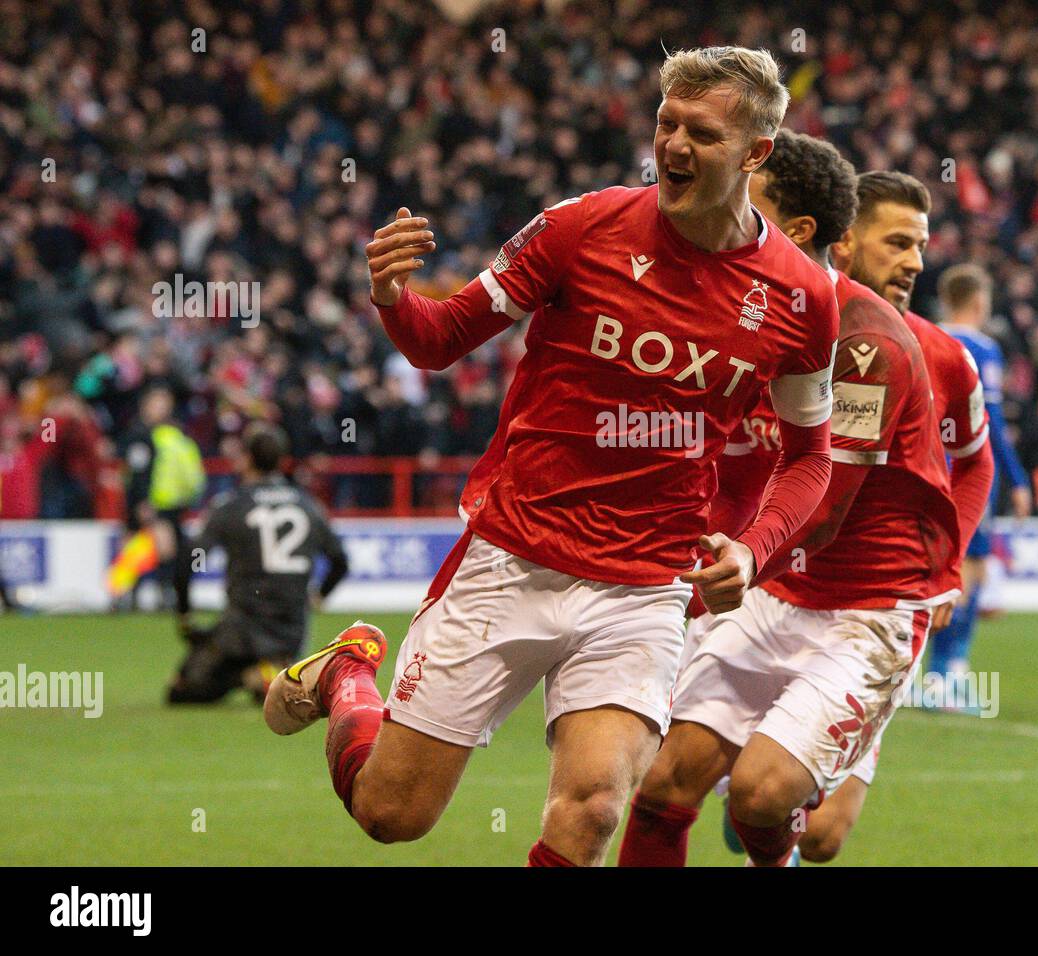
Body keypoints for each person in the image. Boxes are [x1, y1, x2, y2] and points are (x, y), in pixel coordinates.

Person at [263, 46, 840, 867]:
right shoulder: (582, 225)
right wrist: (394, 299)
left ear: (757, 155)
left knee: (597, 804)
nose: (673, 146)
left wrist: (753, 550)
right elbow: (443, 339)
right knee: (393, 814)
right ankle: (346, 678)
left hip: (644, 585)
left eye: (702, 134)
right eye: (666, 123)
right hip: (515, 553)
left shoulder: (800, 296)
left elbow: (810, 458)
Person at [617, 140, 960, 868]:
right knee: (661, 784)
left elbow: (828, 506)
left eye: (750, 204)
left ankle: (779, 855)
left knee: (760, 798)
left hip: (869, 606)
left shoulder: (867, 344)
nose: (729, 215)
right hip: (778, 588)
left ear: (797, 229)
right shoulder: (755, 313)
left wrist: (723, 574)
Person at [794, 171, 996, 864]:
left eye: (921, 245)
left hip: (875, 609)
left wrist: (946, 564)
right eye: (898, 242)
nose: (914, 260)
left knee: (820, 836)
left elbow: (975, 463)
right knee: (701, 778)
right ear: (844, 242)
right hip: (772, 589)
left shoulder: (947, 357)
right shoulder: (790, 334)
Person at [167, 422, 348, 705]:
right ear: (282, 461)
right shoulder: (308, 504)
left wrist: (185, 615)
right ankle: (273, 672)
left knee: (181, 691)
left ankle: (250, 675)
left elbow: (189, 560)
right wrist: (319, 597)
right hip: (292, 631)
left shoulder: (231, 505)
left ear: (246, 459)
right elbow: (341, 562)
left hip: (241, 629)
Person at [932, 264, 1032, 695]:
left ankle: (927, 671)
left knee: (934, 568)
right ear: (978, 302)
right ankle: (948, 670)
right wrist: (1018, 480)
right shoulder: (982, 348)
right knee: (969, 570)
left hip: (925, 469)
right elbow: (988, 423)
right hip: (968, 473)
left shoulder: (923, 335)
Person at [118, 385, 207, 610]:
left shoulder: (168, 434)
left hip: (167, 503)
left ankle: (159, 595)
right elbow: (137, 472)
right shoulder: (139, 435)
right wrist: (141, 502)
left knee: (163, 549)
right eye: (157, 403)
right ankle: (128, 596)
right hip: (146, 503)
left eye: (165, 403)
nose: (162, 408)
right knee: (142, 548)